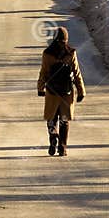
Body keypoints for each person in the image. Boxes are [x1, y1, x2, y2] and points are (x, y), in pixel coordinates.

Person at [37, 26, 85, 156]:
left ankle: (53, 135)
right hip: (66, 93)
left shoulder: (47, 54)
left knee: (51, 119)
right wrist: (81, 91)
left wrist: (40, 88)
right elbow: (76, 73)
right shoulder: (71, 53)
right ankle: (62, 148)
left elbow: (44, 73)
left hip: (52, 92)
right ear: (66, 39)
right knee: (64, 121)